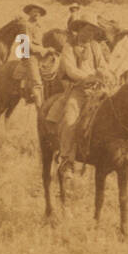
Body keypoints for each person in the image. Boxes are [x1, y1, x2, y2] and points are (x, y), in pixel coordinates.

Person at [52, 18, 114, 175]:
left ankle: (121, 154)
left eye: (93, 31)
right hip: (78, 90)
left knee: (117, 110)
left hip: (98, 89)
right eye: (87, 30)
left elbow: (102, 65)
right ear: (79, 29)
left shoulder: (95, 46)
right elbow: (71, 70)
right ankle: (67, 160)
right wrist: (89, 76)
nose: (90, 34)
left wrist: (104, 72)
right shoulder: (69, 47)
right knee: (69, 118)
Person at [10, 3, 48, 107]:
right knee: (37, 84)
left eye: (39, 12)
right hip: (30, 55)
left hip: (41, 55)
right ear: (29, 13)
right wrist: (45, 50)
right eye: (34, 11)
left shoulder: (40, 27)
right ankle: (40, 111)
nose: (37, 13)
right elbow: (28, 46)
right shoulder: (26, 25)